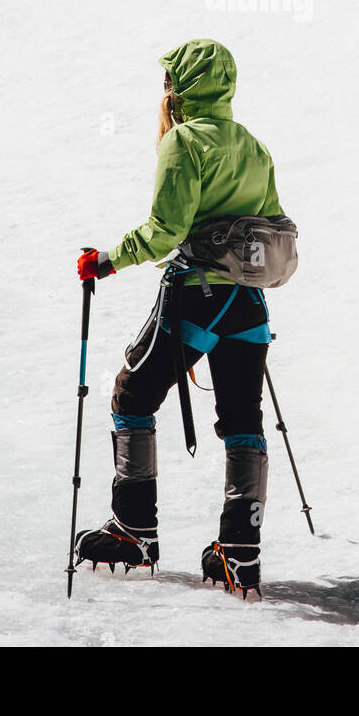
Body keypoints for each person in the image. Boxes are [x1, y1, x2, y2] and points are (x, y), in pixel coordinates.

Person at [75, 38, 287, 598]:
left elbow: (165, 231)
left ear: (179, 88)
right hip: (248, 303)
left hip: (195, 297)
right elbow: (271, 224)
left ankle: (134, 532)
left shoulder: (183, 143)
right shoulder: (255, 148)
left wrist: (107, 261)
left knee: (131, 396)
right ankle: (240, 551)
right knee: (243, 418)